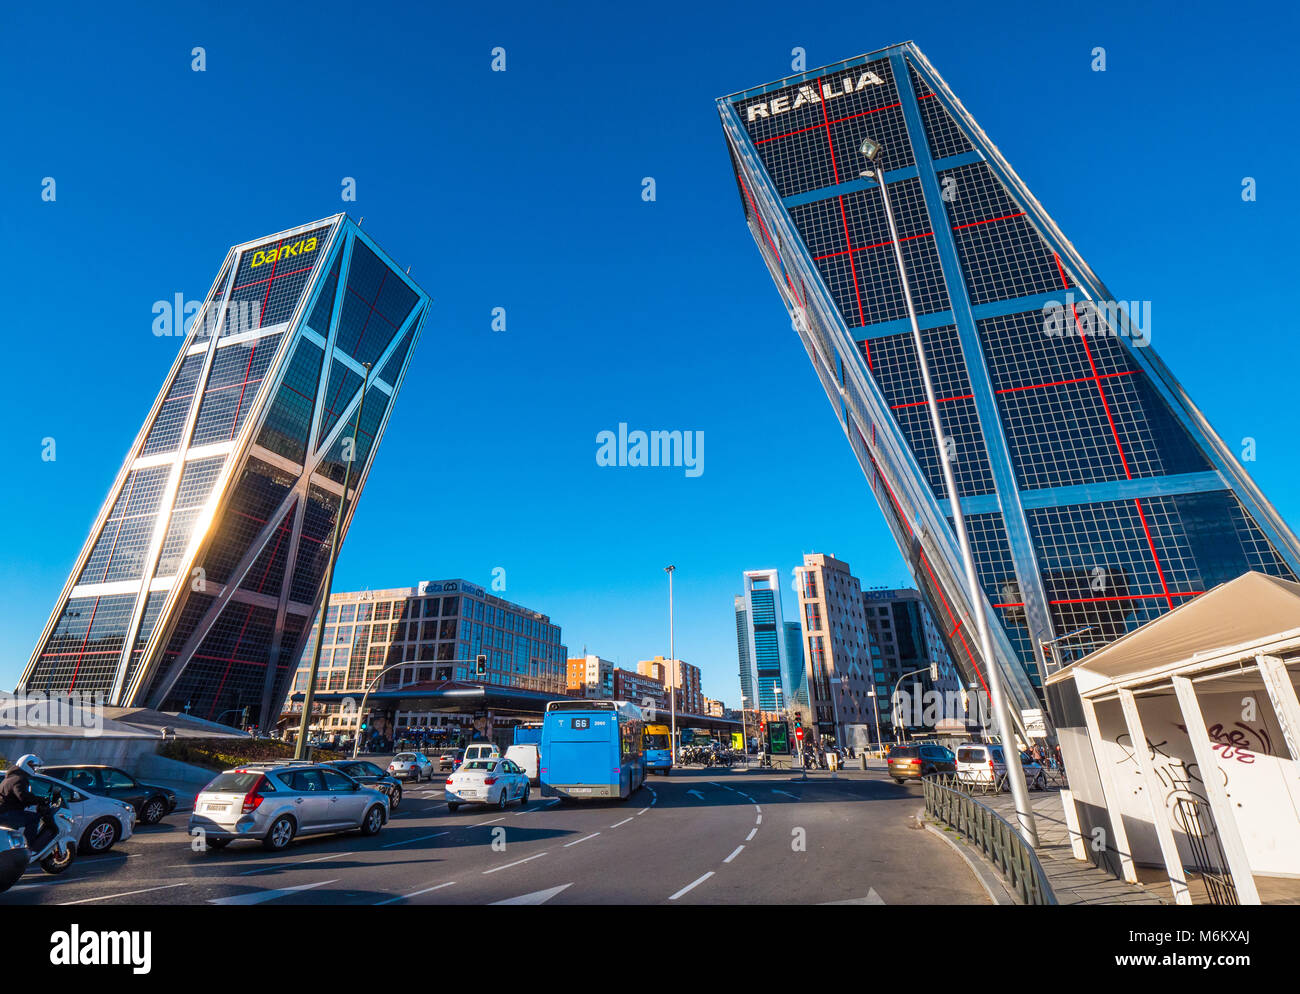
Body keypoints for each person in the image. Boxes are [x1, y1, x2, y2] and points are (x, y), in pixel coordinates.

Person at [0, 755, 49, 849]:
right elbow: (22, 796)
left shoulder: (11, 777)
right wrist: (40, 800)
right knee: (34, 818)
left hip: (4, 811)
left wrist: (35, 799)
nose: (34, 769)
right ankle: (29, 847)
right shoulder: (19, 779)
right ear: (27, 765)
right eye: (33, 767)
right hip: (6, 813)